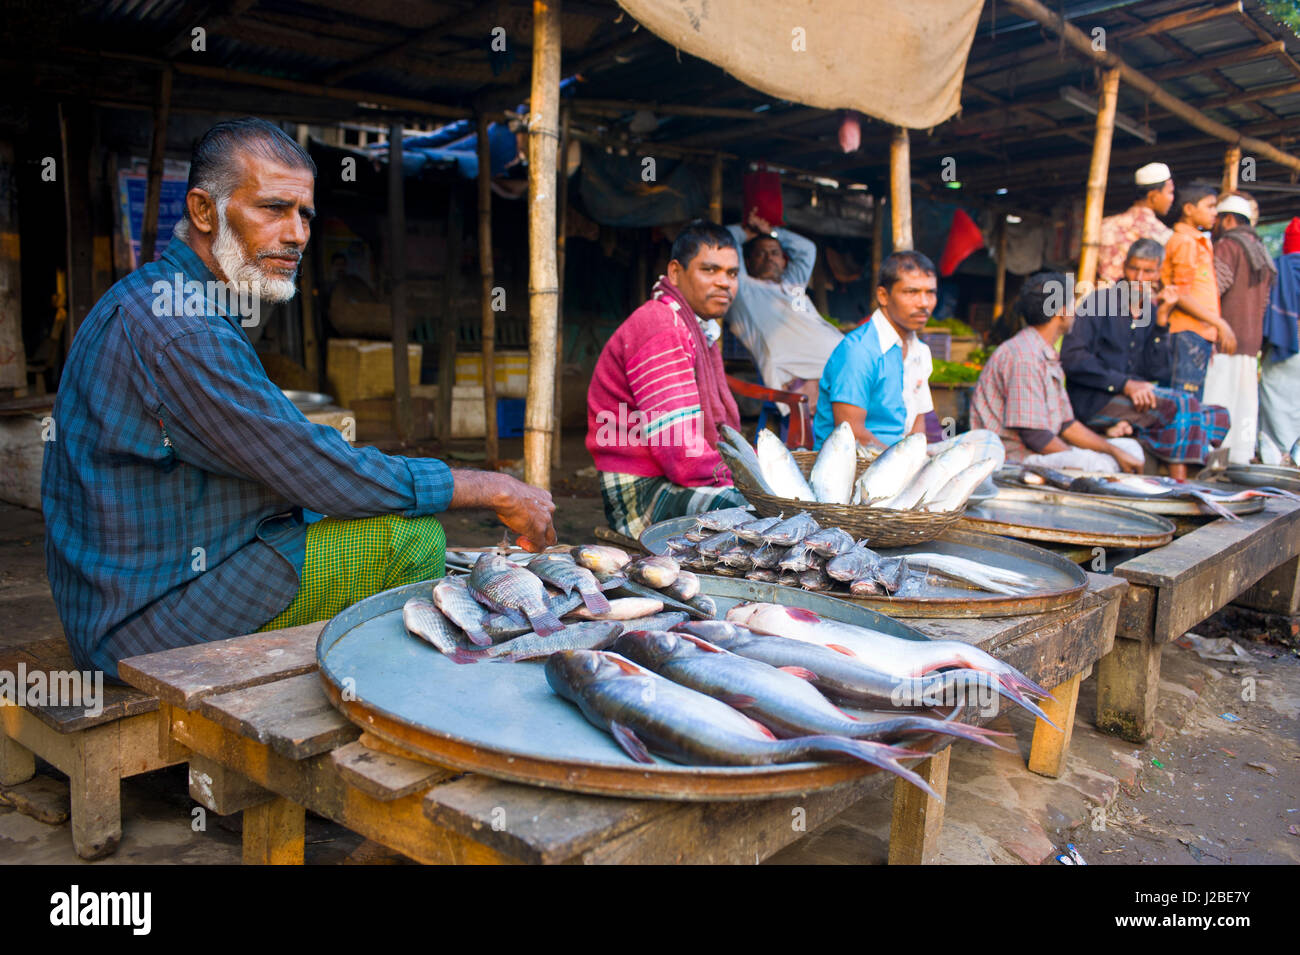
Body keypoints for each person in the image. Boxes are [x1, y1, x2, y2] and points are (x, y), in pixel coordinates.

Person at [42, 118, 556, 680]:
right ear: (203, 211)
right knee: (408, 537)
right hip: (146, 620)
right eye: (272, 209)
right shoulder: (182, 329)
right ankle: (398, 699)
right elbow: (314, 469)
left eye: (304, 214)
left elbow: (297, 464)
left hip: (148, 586)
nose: (297, 234)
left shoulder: (168, 299)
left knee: (354, 503)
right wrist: (494, 487)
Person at [586, 220, 748, 539]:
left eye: (731, 274)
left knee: (767, 512)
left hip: (670, 478)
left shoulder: (696, 327)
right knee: (756, 514)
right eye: (710, 270)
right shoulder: (662, 326)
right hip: (640, 493)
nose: (724, 283)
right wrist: (740, 479)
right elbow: (679, 452)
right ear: (675, 273)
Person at [1062, 239, 1228, 481]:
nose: (1138, 277)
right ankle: (1180, 485)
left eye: (1148, 271)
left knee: (1219, 415)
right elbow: (1072, 358)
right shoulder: (1098, 302)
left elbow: (1157, 371)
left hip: (1136, 403)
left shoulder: (1151, 311)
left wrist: (1161, 321)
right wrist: (1125, 385)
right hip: (1094, 400)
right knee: (1182, 406)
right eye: (1133, 268)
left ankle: (1143, 441)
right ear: (1124, 267)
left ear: (1159, 273)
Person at [971, 272, 1144, 472]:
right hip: (1015, 459)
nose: (1075, 311)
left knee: (1129, 449)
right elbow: (1035, 436)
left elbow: (1066, 425)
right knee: (1096, 466)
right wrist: (1075, 457)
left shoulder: (1045, 352)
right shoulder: (1024, 356)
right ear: (1062, 312)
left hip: (1041, 451)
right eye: (1073, 304)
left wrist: (1112, 450)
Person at [813, 251, 937, 450]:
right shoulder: (859, 351)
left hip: (898, 461)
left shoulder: (920, 352)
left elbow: (917, 427)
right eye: (911, 292)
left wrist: (917, 458)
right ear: (883, 296)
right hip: (852, 465)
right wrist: (904, 463)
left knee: (985, 445)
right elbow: (852, 435)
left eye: (930, 292)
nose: (923, 303)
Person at [724, 211, 843, 415]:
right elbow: (726, 237)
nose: (769, 258)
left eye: (775, 253)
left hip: (841, 365)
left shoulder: (793, 284)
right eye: (761, 253)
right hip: (810, 376)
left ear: (784, 260)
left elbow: (807, 249)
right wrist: (749, 232)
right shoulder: (744, 291)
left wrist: (772, 232)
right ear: (748, 262)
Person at [1203, 194, 1277, 465]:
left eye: (1218, 220)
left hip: (1226, 339)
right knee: (1243, 406)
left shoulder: (1228, 245)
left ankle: (1213, 461)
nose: (1214, 226)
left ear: (1229, 219)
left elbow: (1214, 291)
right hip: (1250, 341)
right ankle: (1238, 461)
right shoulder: (1261, 250)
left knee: (1217, 402)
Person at [1161, 184, 1236, 401]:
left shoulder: (1198, 241)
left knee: (1190, 401)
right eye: (1210, 206)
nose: (1215, 213)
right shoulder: (1185, 242)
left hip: (1197, 333)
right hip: (1186, 332)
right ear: (1189, 209)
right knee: (1183, 403)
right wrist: (1220, 323)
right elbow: (1180, 295)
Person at [1097, 162, 1175, 285]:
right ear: (1153, 196)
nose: (1172, 198)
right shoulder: (1163, 233)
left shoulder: (1105, 224)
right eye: (1170, 192)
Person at [1259, 217, 1300, 453]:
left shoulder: (1278, 269)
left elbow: (1263, 311)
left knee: (1277, 406)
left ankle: (1282, 458)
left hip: (1282, 349)